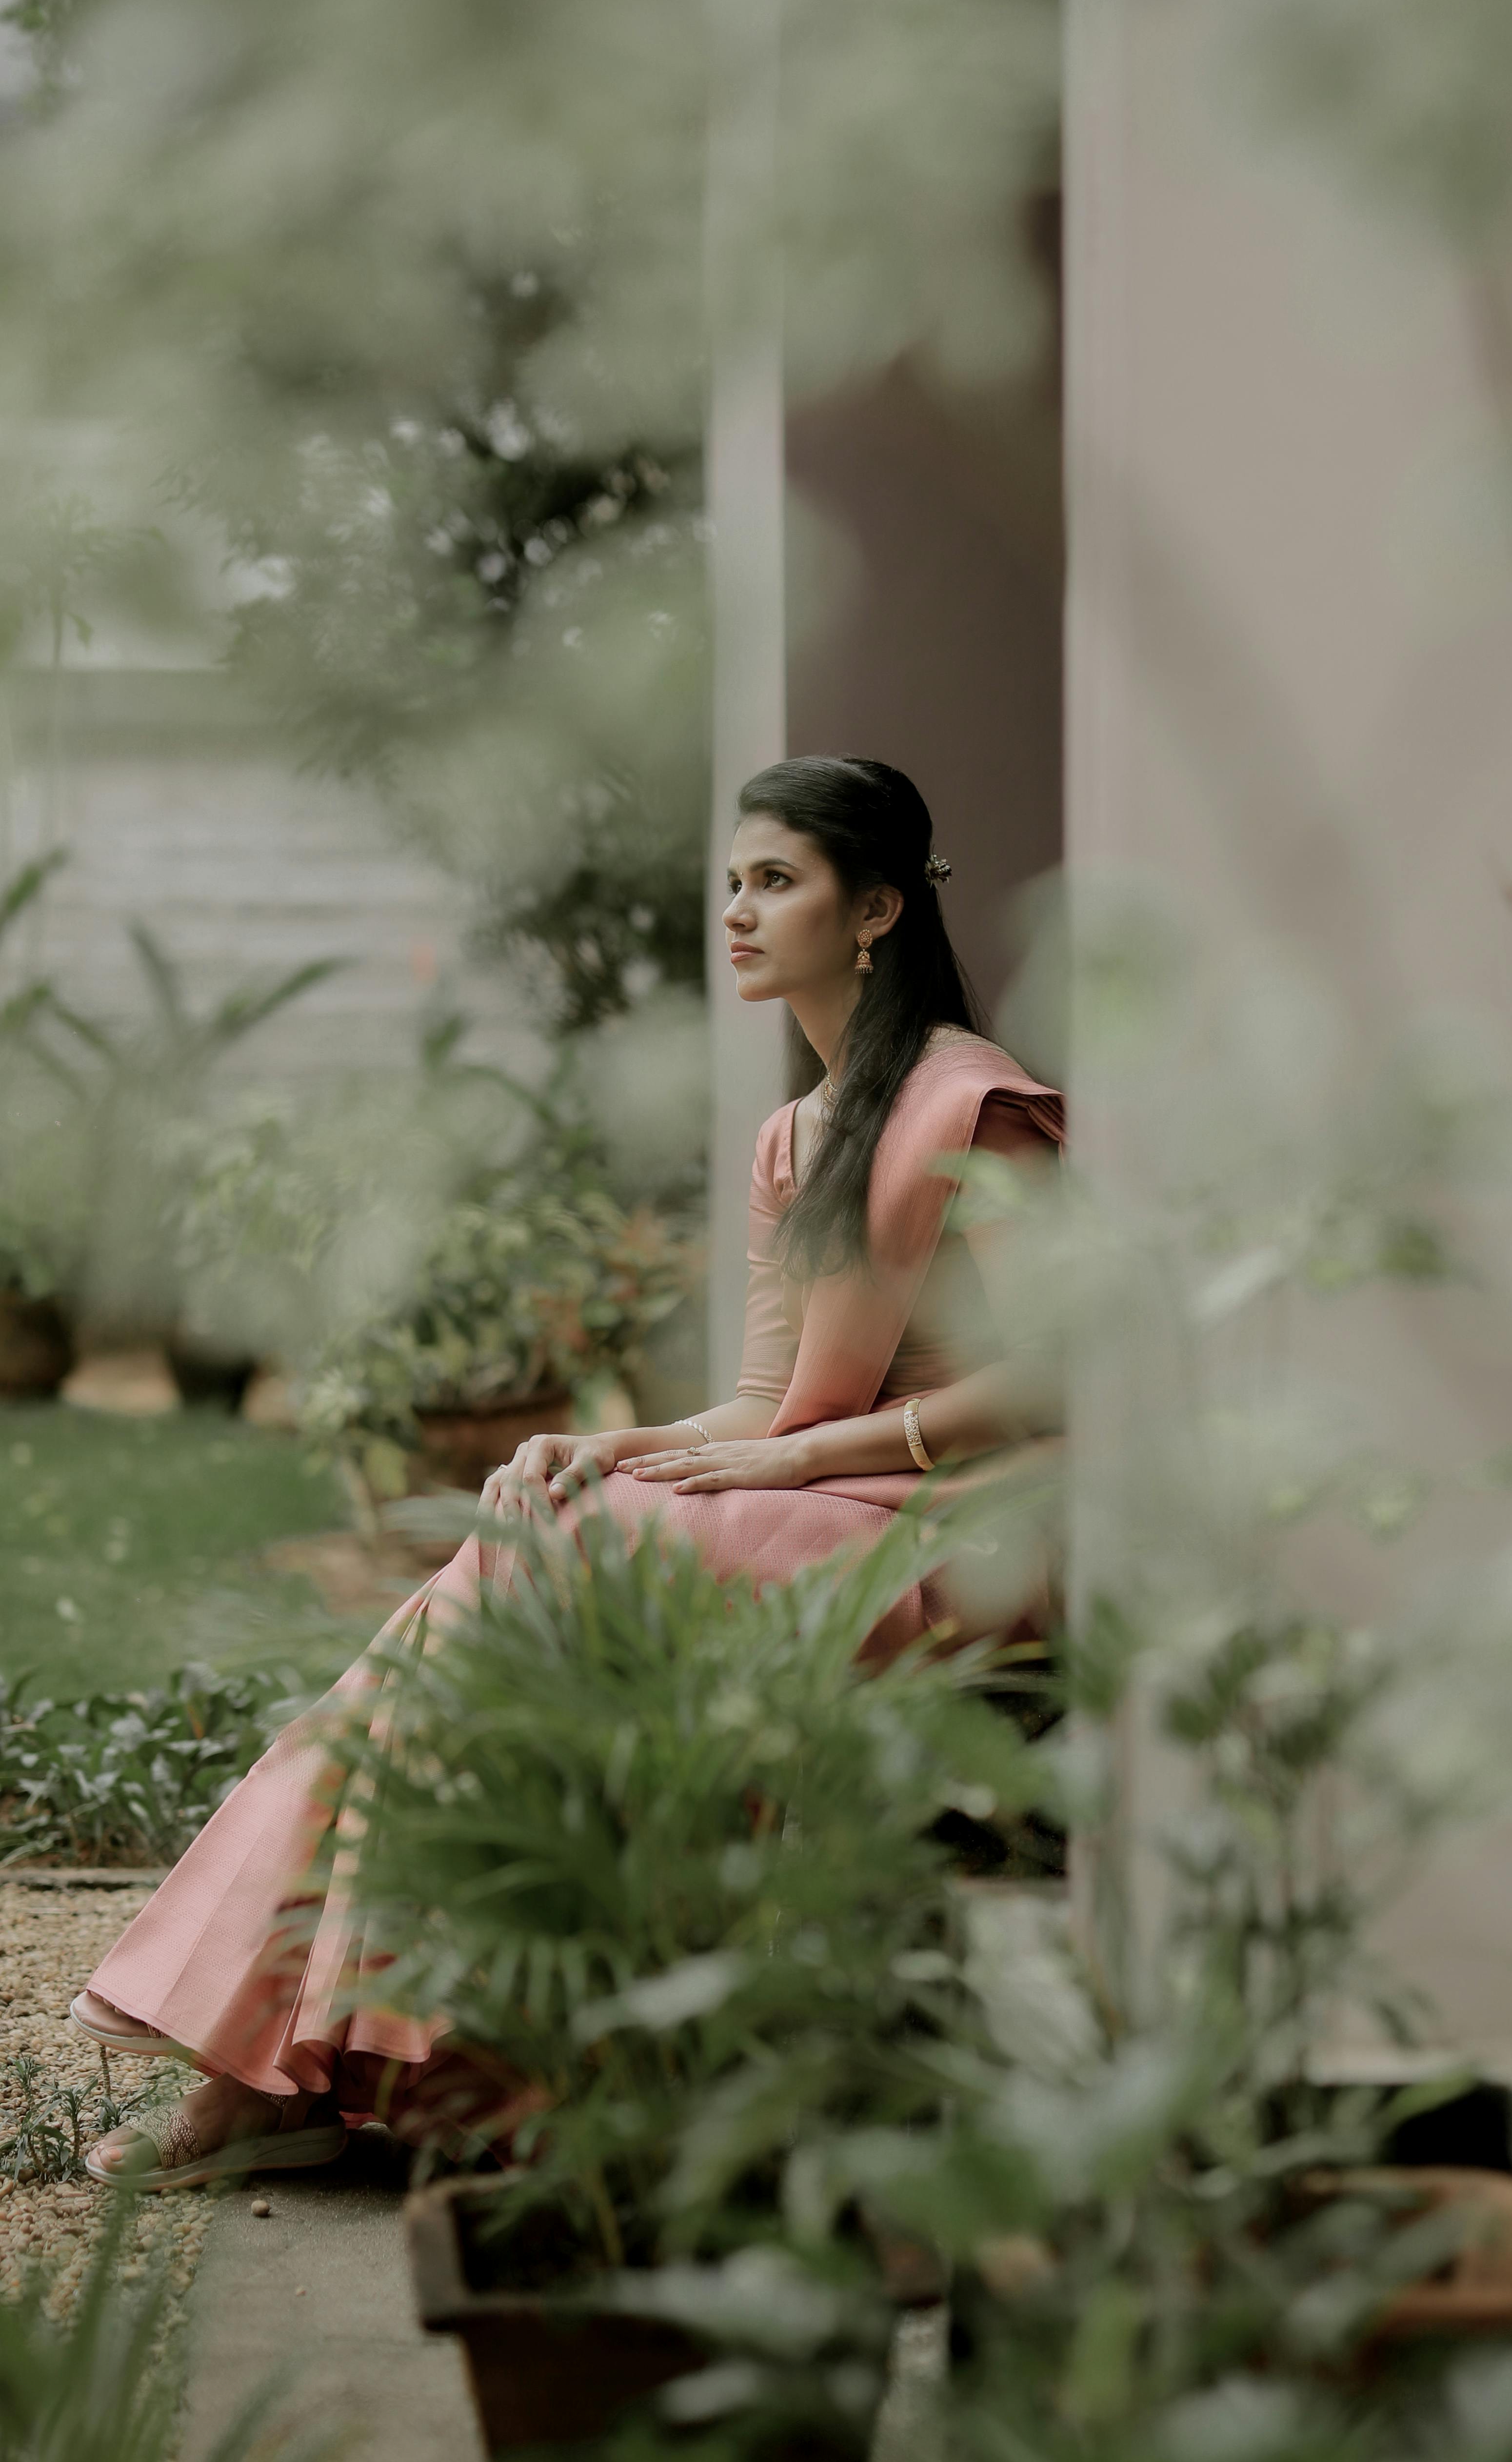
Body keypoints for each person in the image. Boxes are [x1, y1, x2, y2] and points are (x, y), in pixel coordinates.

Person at [71, 755, 1065, 2189]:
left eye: (774, 880)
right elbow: (761, 1406)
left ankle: (334, 2066)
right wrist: (609, 1444)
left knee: (596, 1567)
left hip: (962, 1514)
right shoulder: (797, 1133)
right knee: (549, 1534)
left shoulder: (978, 1106)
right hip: (817, 1494)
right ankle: (352, 2053)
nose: (735, 910)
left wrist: (803, 1460)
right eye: (731, 881)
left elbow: (1055, 1379)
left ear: (878, 912)